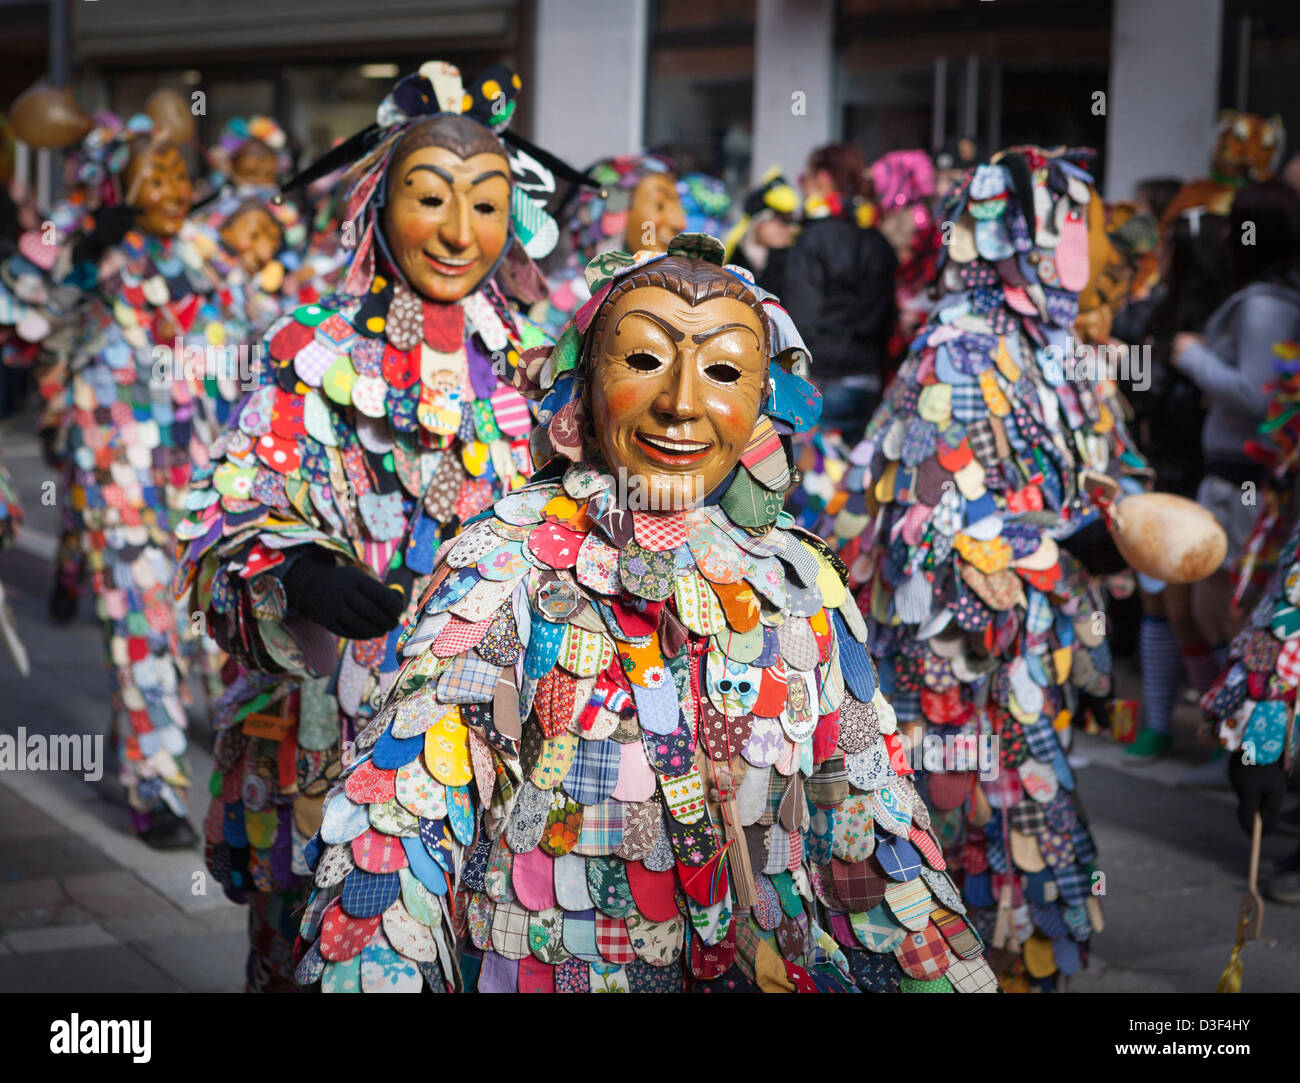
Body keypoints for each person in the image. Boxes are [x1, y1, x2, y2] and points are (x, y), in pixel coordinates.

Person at [290, 234, 997, 993]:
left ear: (761, 405)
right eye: (644, 360)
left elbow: (868, 821)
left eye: (723, 370)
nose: (683, 402)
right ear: (586, 384)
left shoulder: (800, 580)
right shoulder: (506, 562)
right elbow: (408, 808)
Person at [175, 61, 567, 991]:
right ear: (379, 203)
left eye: (485, 203)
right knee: (311, 952)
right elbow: (236, 498)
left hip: (493, 723)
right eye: (431, 197)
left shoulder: (542, 355)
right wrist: (301, 568)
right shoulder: (309, 345)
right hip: (328, 722)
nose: (458, 231)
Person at [824, 147, 1154, 990]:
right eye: (1070, 223)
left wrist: (1123, 521)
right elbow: (923, 523)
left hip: (1035, 643)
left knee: (1025, 818)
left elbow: (1106, 468)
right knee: (970, 815)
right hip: (966, 652)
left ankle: (1012, 961)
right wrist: (1047, 541)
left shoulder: (1068, 350)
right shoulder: (961, 347)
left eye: (1086, 223)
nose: (1087, 245)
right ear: (1014, 234)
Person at [0, 113, 253, 848]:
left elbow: (266, 332)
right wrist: (81, 225)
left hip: (207, 476)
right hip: (117, 475)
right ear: (122, 183)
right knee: (143, 626)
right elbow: (21, 304)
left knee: (210, 634)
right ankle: (156, 792)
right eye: (156, 173)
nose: (174, 186)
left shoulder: (207, 253)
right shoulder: (89, 254)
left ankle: (164, 755)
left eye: (180, 173)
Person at [1171, 181, 1300, 785]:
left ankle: (1244, 754)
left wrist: (1193, 357)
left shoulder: (1265, 305)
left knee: (1231, 613)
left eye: (1237, 225)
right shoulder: (1260, 300)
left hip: (1245, 482)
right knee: (1205, 605)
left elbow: (1255, 393)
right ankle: (1230, 746)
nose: (1225, 237)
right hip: (1231, 478)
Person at [780, 142, 896, 444]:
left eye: (805, 179)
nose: (803, 187)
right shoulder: (878, 242)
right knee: (851, 476)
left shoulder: (813, 239)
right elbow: (886, 316)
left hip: (818, 379)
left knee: (810, 478)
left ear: (824, 179)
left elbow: (800, 318)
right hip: (865, 378)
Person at [531, 152, 685, 338]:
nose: (680, 222)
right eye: (660, 205)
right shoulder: (558, 300)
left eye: (678, 205)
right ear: (612, 208)